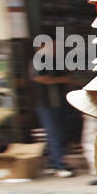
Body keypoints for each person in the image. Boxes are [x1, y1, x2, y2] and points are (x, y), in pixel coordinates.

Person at [30, 38, 74, 177]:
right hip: (46, 104)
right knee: (55, 134)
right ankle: (58, 165)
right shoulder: (38, 60)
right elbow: (38, 78)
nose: (55, 47)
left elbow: (67, 78)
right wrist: (60, 80)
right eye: (52, 45)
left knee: (57, 133)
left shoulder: (56, 60)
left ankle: (53, 162)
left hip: (59, 103)